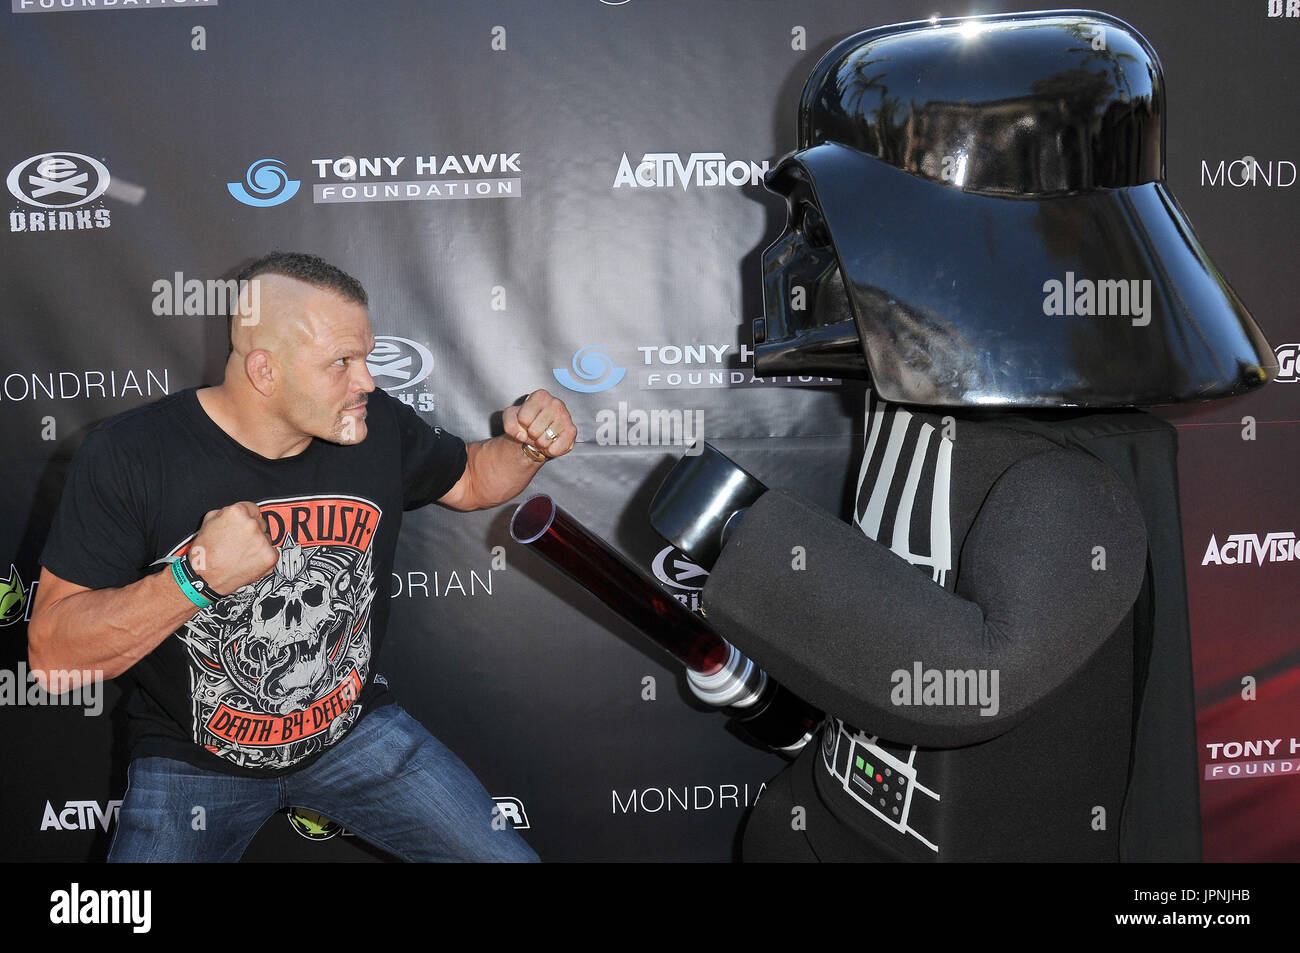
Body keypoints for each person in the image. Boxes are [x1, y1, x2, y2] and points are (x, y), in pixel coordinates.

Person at [27, 251, 576, 862]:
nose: (366, 381)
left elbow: (472, 478)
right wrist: (193, 577)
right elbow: (54, 657)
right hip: (193, 758)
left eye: (364, 358)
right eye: (342, 363)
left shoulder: (370, 425)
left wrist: (526, 449)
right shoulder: (132, 455)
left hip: (352, 734)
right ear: (265, 369)